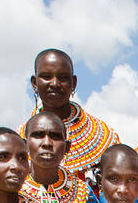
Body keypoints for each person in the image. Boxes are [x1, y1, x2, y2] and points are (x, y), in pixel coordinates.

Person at [22, 48, 120, 185]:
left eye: (63, 78)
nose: (54, 84)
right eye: (46, 77)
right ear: (34, 83)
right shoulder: (18, 140)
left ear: (74, 82)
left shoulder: (104, 138)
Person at [23, 110, 97, 203]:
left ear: (67, 147)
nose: (46, 143)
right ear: (25, 144)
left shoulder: (84, 195)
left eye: (55, 136)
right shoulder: (4, 189)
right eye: (38, 135)